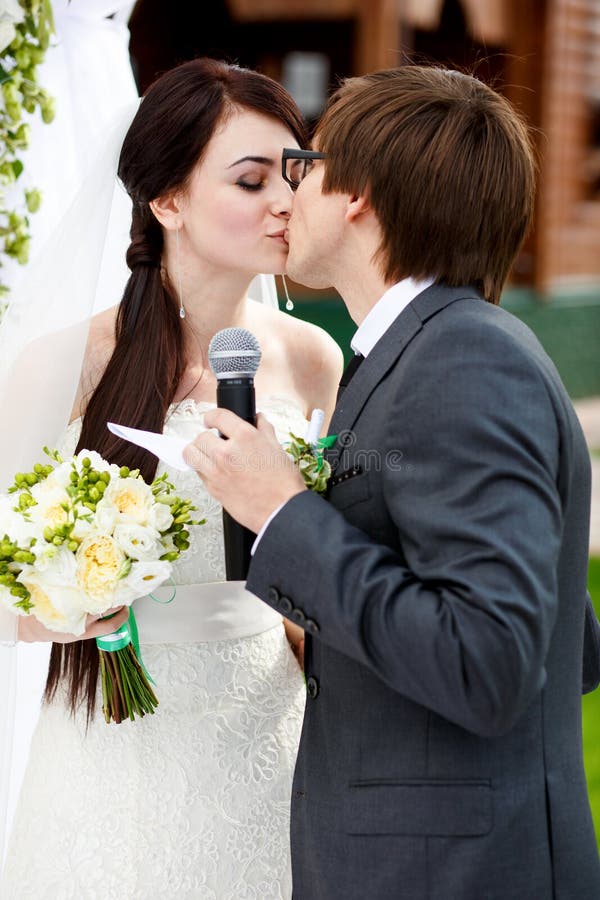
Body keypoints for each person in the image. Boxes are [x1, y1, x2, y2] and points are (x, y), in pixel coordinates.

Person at [185, 66, 600, 899]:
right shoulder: (426, 350)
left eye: (303, 167)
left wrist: (283, 512)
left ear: (359, 194)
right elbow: (568, 642)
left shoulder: (462, 362)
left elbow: (490, 662)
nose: (286, 195)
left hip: (446, 871)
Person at [0, 58, 342, 897]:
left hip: (272, 731)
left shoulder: (312, 358)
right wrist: (58, 605)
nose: (282, 202)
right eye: (251, 178)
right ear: (169, 202)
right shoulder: (67, 365)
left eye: (293, 175)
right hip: (111, 747)